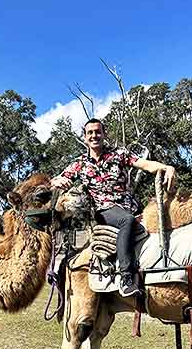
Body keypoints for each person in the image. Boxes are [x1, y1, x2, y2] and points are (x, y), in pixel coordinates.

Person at [51, 118, 175, 297]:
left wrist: (166, 167)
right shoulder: (80, 164)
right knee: (127, 221)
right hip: (104, 210)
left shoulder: (119, 154)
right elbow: (58, 179)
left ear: (104, 134)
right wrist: (57, 181)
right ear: (85, 137)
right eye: (90, 133)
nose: (94, 135)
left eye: (98, 132)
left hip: (130, 206)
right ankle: (126, 278)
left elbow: (145, 164)